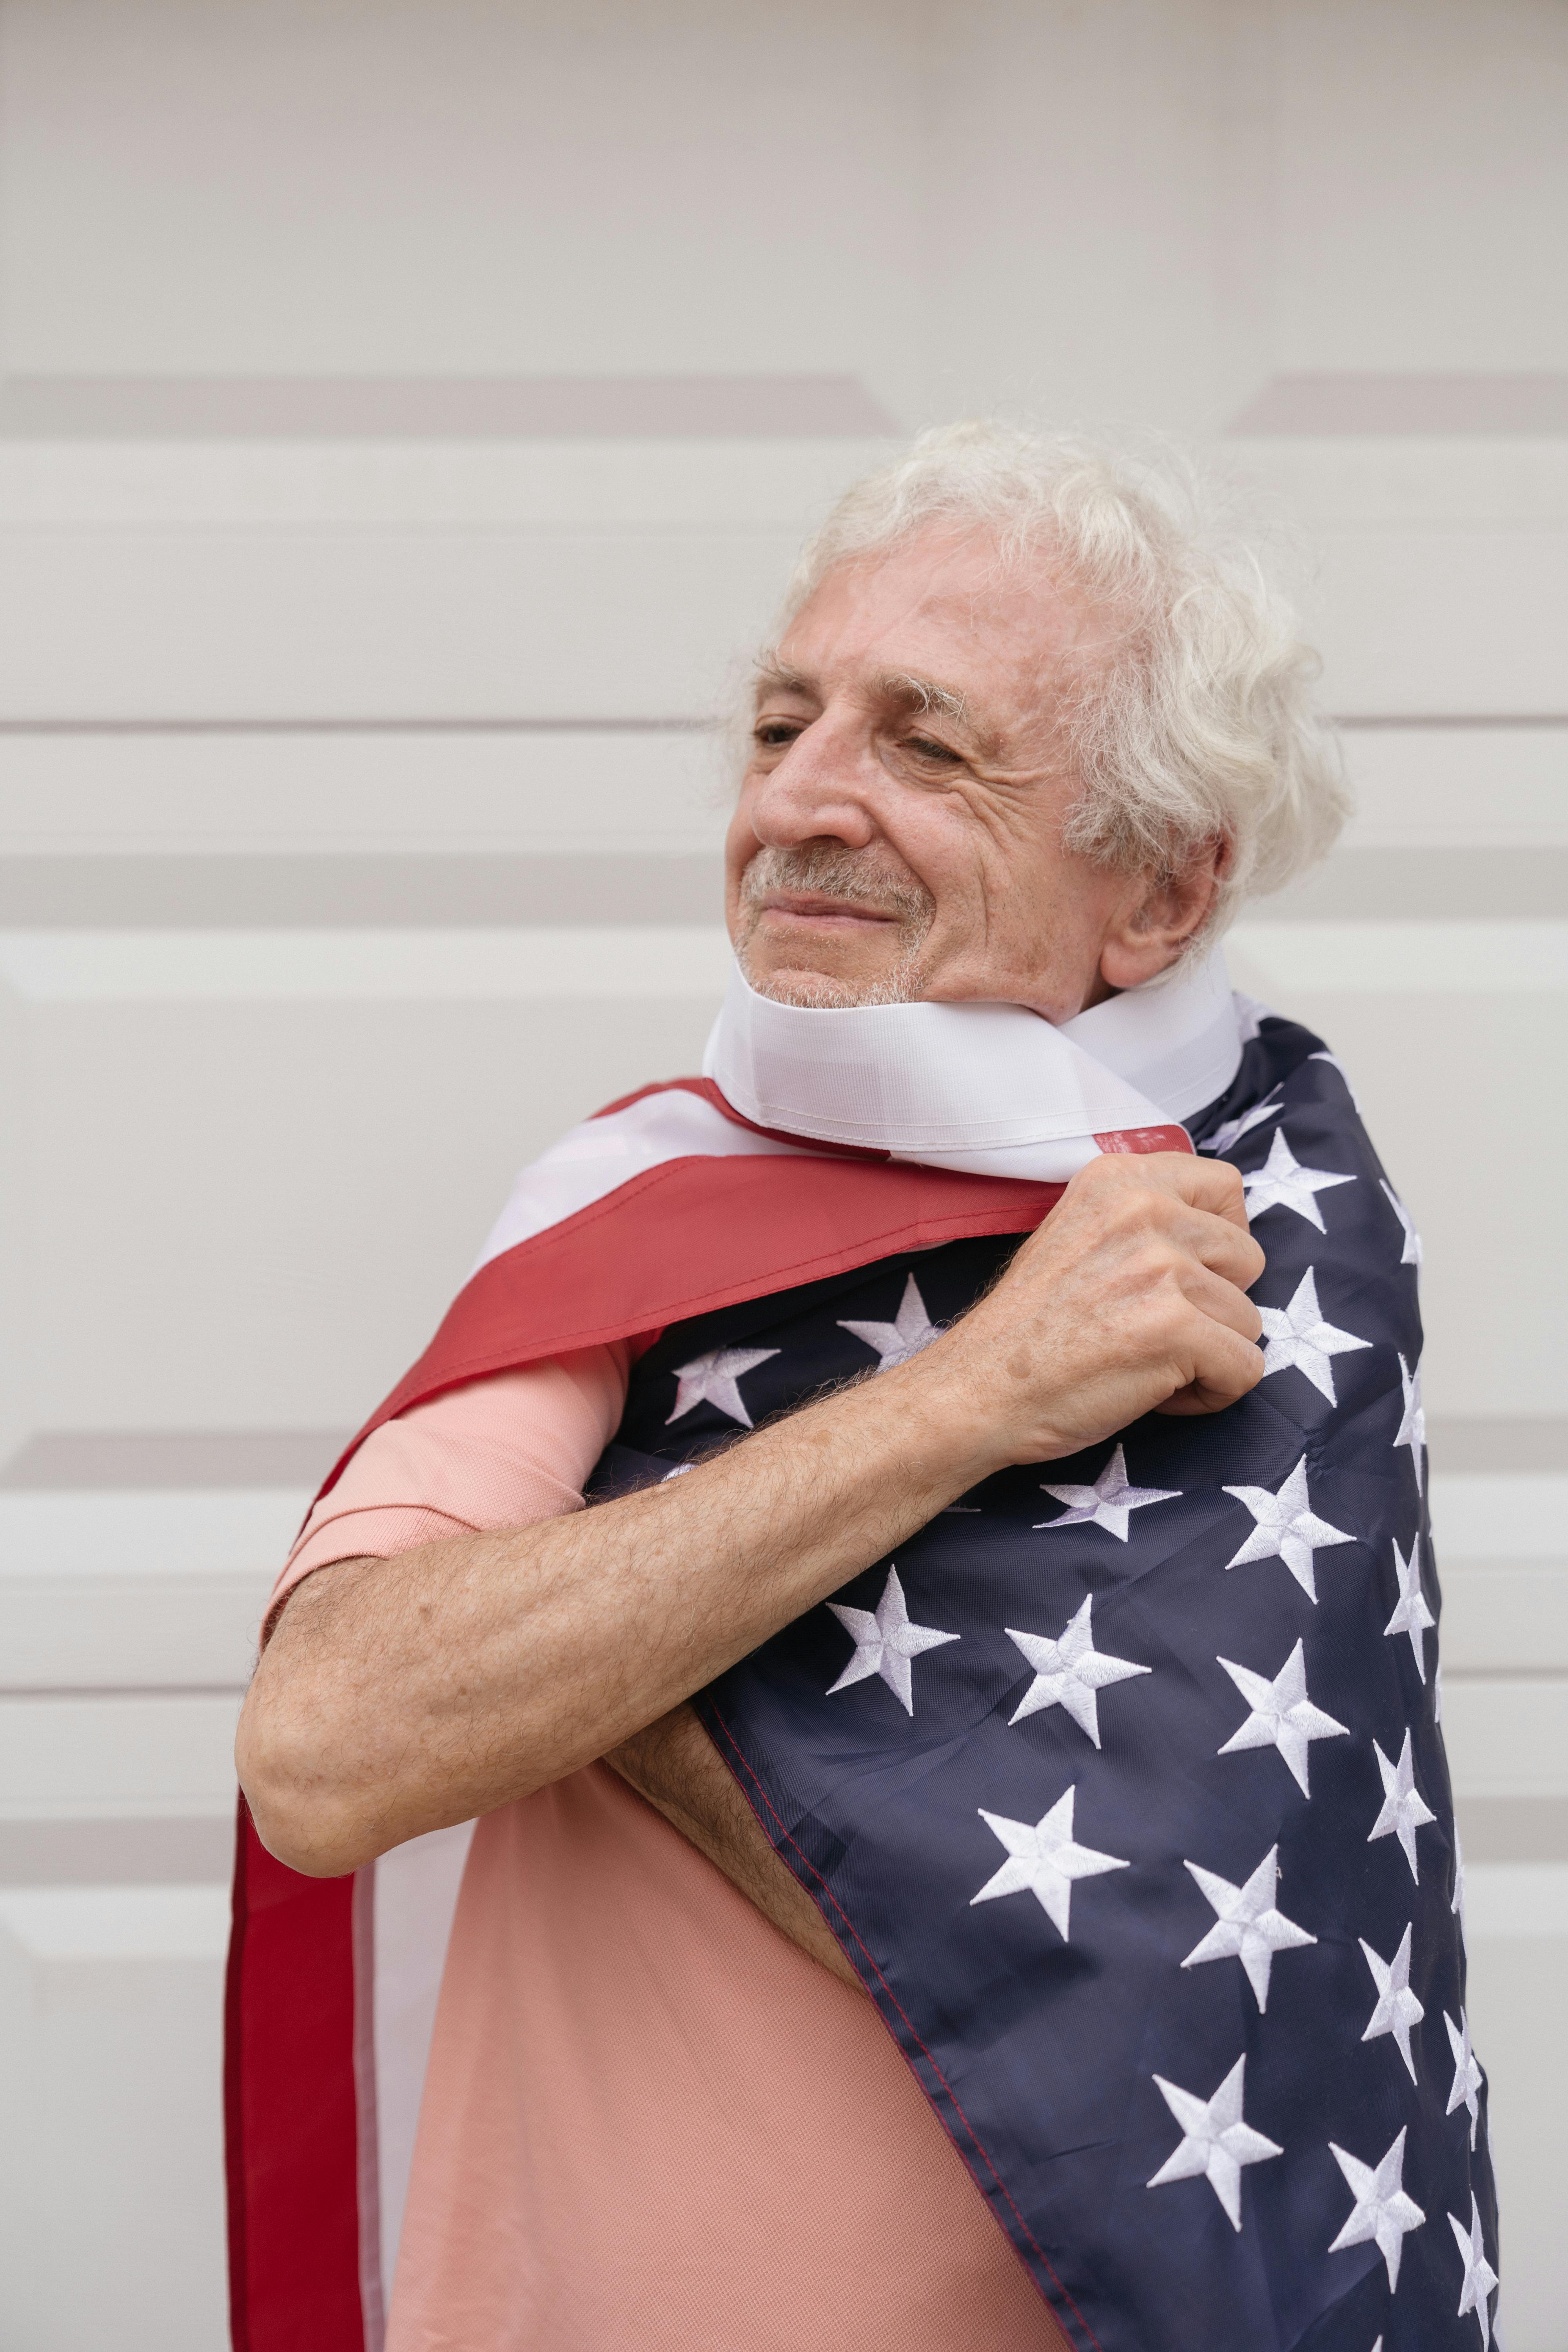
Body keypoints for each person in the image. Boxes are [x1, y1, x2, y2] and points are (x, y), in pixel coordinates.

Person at [230, 425, 1496, 2352]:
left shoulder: (1265, 1221)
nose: (801, 801)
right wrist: (961, 1398)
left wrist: (607, 1664)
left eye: (923, 742)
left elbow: (1169, 1963)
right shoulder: (635, 1206)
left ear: (1159, 886)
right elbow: (326, 1750)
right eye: (775, 726)